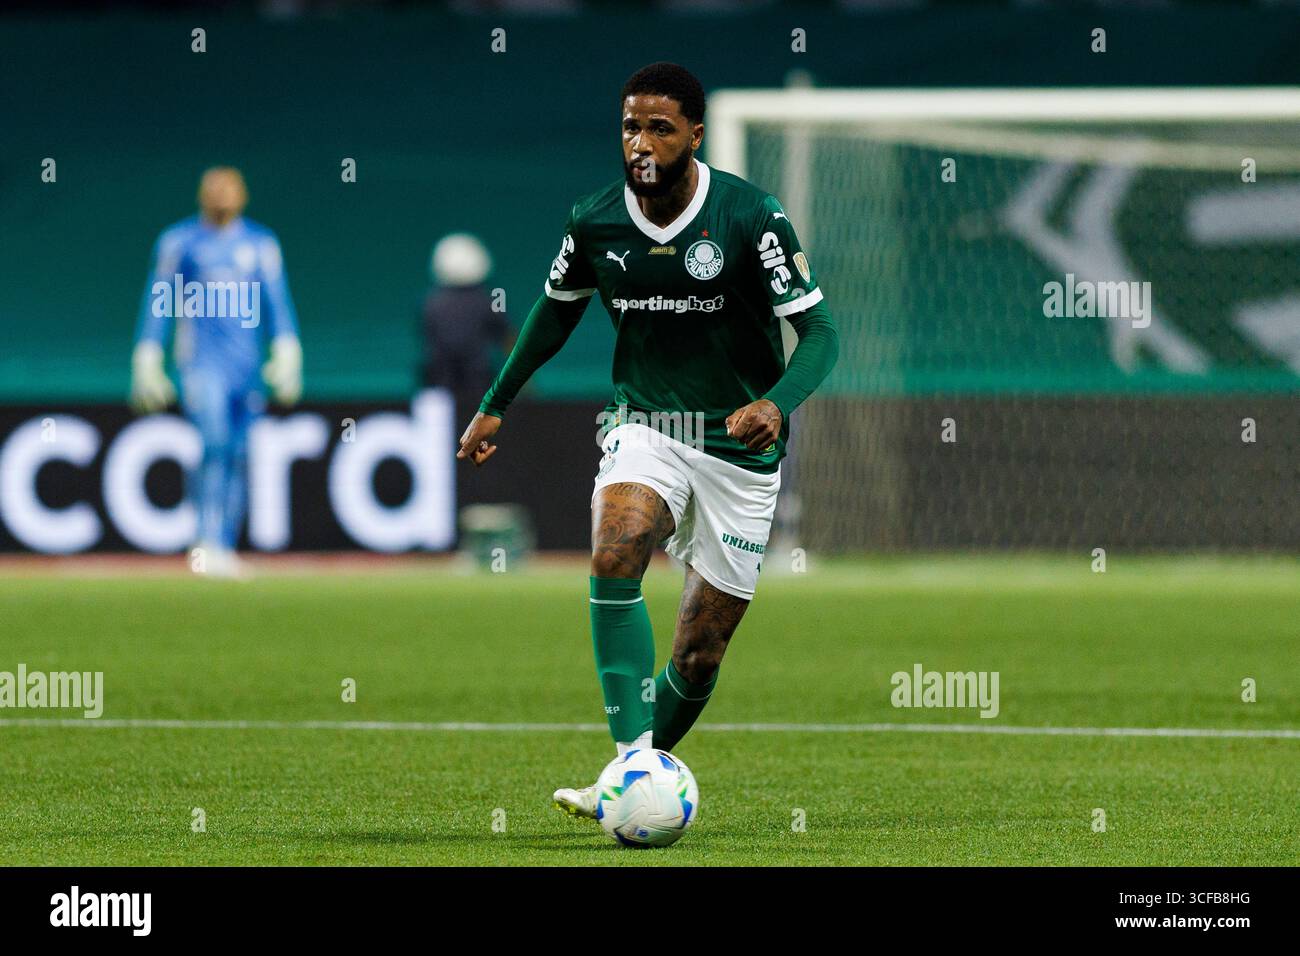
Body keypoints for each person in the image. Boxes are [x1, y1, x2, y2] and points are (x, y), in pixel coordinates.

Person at [455, 63, 838, 819]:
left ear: (695, 134)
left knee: (699, 655)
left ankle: (620, 780)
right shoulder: (593, 218)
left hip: (740, 448)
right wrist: (495, 401)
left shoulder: (750, 216)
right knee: (616, 545)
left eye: (659, 127)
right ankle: (634, 761)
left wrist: (776, 400)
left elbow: (820, 333)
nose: (641, 141)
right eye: (631, 125)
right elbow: (556, 310)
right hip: (647, 424)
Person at [130, 166, 302, 577]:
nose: (223, 194)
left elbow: (277, 301)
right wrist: (148, 354)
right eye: (215, 187)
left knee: (240, 454)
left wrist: (287, 349)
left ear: (243, 193)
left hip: (247, 369)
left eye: (231, 187)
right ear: (201, 193)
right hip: (201, 365)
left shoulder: (260, 243)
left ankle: (224, 543)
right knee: (215, 445)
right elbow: (160, 298)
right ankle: (204, 543)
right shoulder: (180, 241)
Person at [418, 232, 510, 427]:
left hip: (438, 391)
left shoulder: (431, 304)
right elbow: (509, 342)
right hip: (479, 392)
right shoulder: (488, 300)